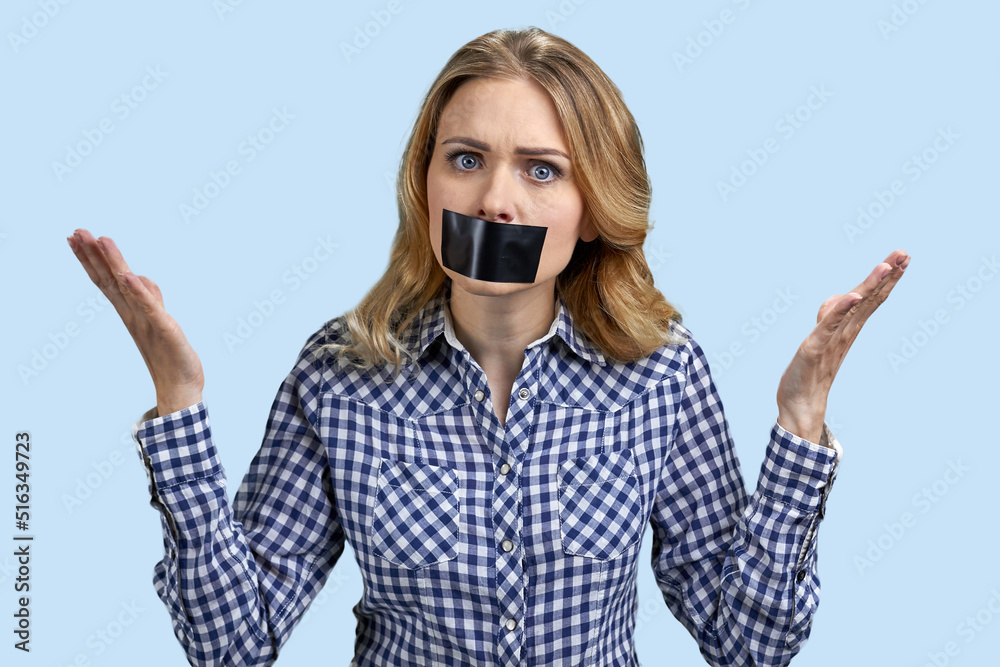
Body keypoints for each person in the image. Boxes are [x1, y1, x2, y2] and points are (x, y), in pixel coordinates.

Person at [67, 26, 909, 667]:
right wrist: (178, 407)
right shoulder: (337, 376)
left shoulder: (661, 370)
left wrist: (800, 423)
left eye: (542, 169)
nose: (496, 200)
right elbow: (232, 644)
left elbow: (747, 644)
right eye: (465, 158)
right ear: (425, 183)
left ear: (592, 207)